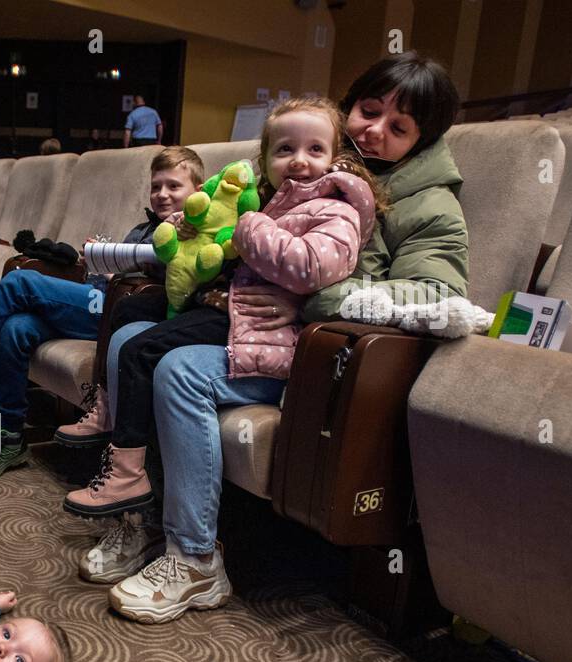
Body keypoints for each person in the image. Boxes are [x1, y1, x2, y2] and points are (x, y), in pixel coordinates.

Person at [86, 52, 467, 624]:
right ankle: (139, 511)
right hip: (257, 329)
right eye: (368, 111)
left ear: (424, 138)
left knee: (178, 370)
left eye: (399, 127)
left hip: (322, 358)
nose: (374, 131)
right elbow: (243, 246)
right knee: (132, 336)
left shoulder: (428, 204)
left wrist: (309, 298)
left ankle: (193, 558)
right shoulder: (300, 169)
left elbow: (437, 297)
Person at [64, 94, 383, 521]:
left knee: (144, 351)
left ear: (334, 157)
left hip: (264, 335)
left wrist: (250, 227)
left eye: (314, 149)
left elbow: (311, 268)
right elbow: (222, 242)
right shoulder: (267, 198)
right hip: (229, 310)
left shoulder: (334, 208)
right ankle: (122, 461)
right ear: (265, 157)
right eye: (284, 149)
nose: (299, 160)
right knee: (126, 321)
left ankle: (129, 475)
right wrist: (189, 227)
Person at [0, 148, 205, 482]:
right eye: (156, 186)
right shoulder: (142, 228)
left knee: (20, 282)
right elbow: (111, 277)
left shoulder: (195, 232)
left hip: (128, 318)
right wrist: (97, 261)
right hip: (100, 301)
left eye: (173, 187)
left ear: (198, 190)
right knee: (15, 328)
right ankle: (7, 439)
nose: (162, 195)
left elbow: (180, 283)